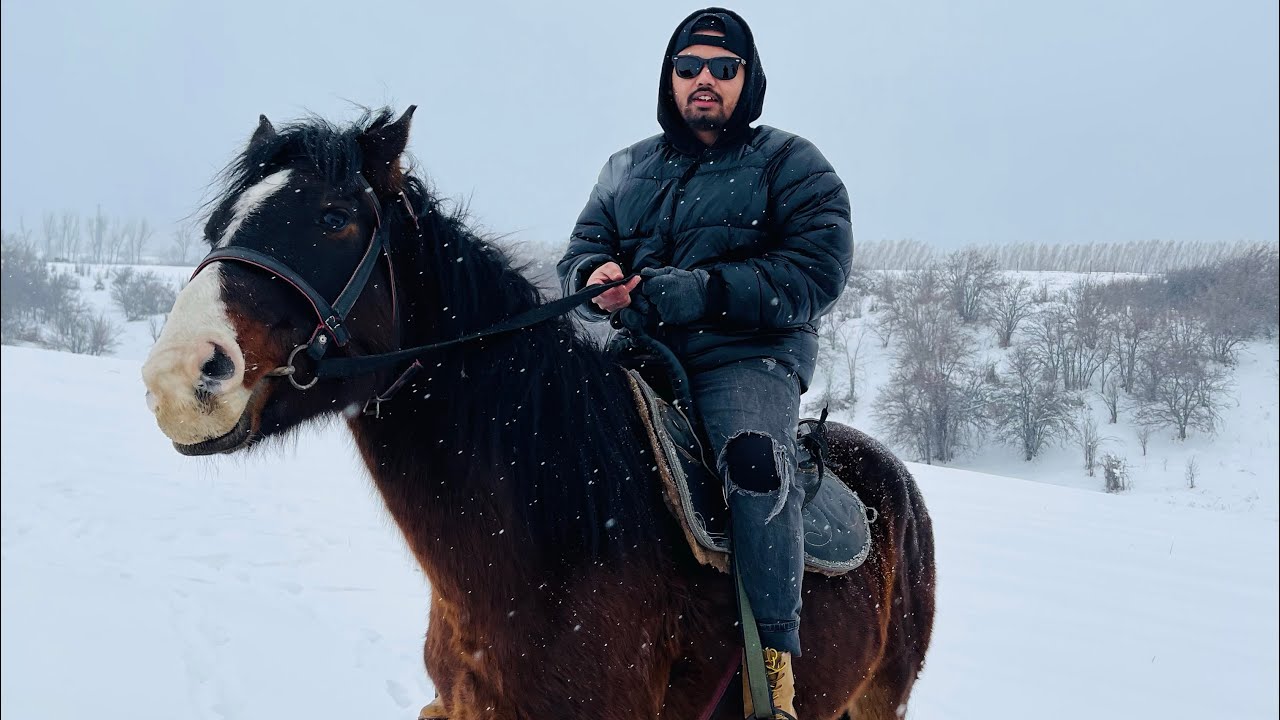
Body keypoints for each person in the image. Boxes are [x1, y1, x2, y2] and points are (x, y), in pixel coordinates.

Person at [557, 7, 852, 719]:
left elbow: (817, 269)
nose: (704, 80)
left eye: (723, 68)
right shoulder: (626, 167)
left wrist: (705, 291)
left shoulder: (792, 162)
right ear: (670, 78)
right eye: (688, 67)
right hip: (636, 352)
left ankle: (771, 668)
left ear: (749, 79)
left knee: (754, 461)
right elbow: (581, 251)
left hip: (748, 356)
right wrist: (594, 276)